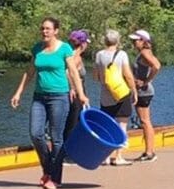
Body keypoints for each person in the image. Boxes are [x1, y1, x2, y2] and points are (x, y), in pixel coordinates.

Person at [10, 17, 89, 189]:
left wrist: (81, 94)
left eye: (48, 29)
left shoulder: (64, 48)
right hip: (39, 97)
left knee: (56, 137)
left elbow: (74, 73)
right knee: (35, 133)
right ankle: (48, 169)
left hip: (59, 97)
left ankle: (56, 178)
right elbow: (29, 71)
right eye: (43, 29)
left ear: (56, 31)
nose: (44, 32)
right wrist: (18, 93)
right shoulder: (37, 49)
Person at [93, 29, 137, 166]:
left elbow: (95, 76)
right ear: (117, 41)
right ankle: (118, 156)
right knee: (122, 124)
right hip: (121, 94)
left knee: (107, 125)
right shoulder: (122, 54)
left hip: (105, 95)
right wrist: (134, 90)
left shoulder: (99, 55)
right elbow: (128, 75)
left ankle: (105, 157)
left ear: (105, 41)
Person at [129, 29, 162, 162]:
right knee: (145, 121)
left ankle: (149, 152)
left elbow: (157, 66)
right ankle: (148, 151)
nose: (133, 43)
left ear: (143, 41)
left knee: (145, 121)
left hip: (144, 91)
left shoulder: (144, 52)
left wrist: (146, 81)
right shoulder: (144, 52)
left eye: (135, 40)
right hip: (142, 91)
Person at [64, 30, 91, 157]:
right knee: (74, 120)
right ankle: (69, 152)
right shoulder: (76, 57)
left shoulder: (72, 54)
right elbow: (68, 72)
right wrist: (73, 88)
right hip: (75, 93)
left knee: (78, 119)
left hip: (78, 90)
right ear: (83, 44)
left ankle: (75, 149)